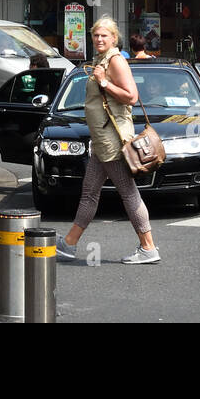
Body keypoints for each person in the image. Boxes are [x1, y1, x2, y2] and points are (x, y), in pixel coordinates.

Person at [56, 17, 160, 265]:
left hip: (113, 141)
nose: (99, 39)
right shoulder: (100, 61)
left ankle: (148, 247)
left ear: (114, 38)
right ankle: (69, 244)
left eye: (105, 35)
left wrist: (103, 81)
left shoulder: (115, 61)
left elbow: (131, 96)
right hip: (102, 140)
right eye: (96, 35)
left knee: (129, 194)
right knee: (89, 194)